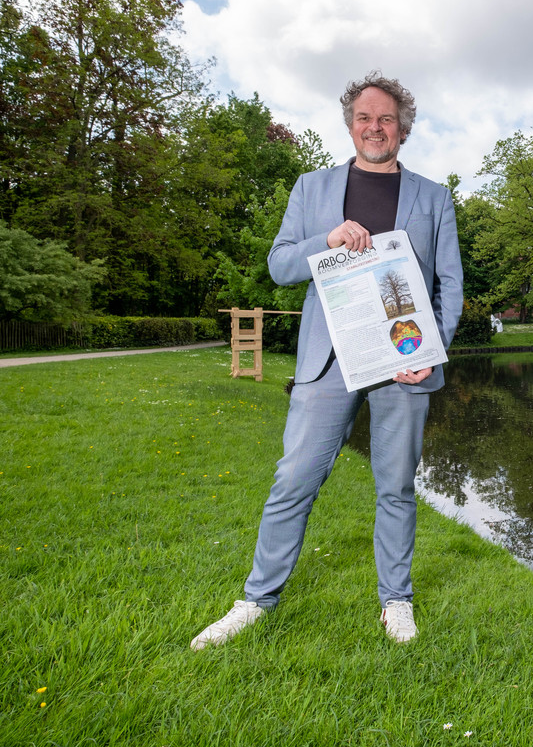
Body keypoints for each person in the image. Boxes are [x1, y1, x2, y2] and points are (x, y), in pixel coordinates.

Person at [191, 71, 464, 649]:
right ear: (350, 125)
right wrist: (328, 242)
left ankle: (397, 601)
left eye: (386, 118)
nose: (375, 127)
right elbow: (280, 266)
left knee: (396, 487)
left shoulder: (435, 198)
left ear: (403, 129)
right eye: (364, 117)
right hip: (327, 360)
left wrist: (430, 353)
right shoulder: (311, 189)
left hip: (404, 361)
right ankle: (256, 599)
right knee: (293, 480)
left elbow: (449, 286)